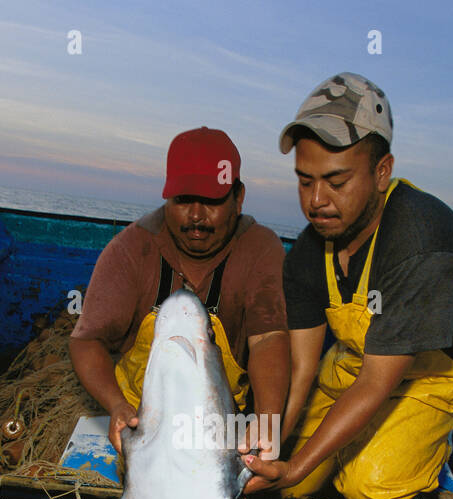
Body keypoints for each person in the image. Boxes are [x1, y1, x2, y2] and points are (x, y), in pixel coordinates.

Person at [243, 73, 453, 499]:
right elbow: (302, 370)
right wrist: (270, 450)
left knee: (366, 485)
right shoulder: (309, 250)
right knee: (286, 484)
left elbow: (375, 384)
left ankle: (440, 453)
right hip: (359, 357)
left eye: (336, 181)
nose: (316, 201)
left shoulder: (421, 241)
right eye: (305, 181)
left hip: (430, 371)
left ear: (382, 172)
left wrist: (299, 464)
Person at [69, 127, 289, 457]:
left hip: (223, 425)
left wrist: (267, 421)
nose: (197, 216)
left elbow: (269, 340)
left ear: (238, 197)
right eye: (184, 200)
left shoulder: (261, 249)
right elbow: (87, 340)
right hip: (137, 418)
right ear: (167, 196)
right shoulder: (132, 248)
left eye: (212, 201)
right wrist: (116, 405)